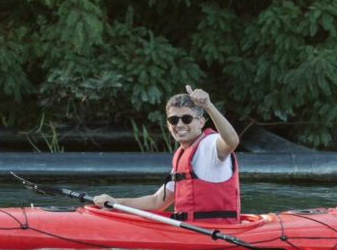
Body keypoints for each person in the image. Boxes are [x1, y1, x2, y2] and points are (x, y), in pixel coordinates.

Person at [93, 86, 241, 223]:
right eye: (173, 120)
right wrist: (115, 202)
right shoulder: (183, 157)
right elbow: (157, 202)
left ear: (201, 122)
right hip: (188, 232)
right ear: (168, 125)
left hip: (217, 231)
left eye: (187, 118)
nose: (180, 124)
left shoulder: (210, 145)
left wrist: (208, 106)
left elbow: (232, 141)